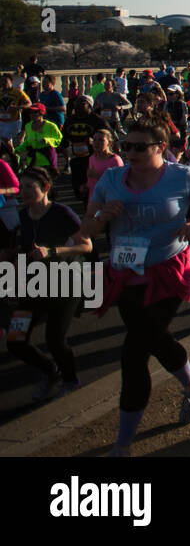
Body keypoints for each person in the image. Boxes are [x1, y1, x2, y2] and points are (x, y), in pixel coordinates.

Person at [73, 118, 190, 456]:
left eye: (139, 147)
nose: (130, 152)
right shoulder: (111, 179)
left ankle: (123, 445)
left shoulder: (182, 175)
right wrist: (101, 217)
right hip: (125, 274)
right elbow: (86, 230)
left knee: (133, 355)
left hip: (167, 272)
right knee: (156, 339)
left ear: (160, 148)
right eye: (126, 146)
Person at [2, 167, 91, 400]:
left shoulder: (62, 213)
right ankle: (51, 371)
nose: (24, 192)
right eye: (21, 187)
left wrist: (53, 251)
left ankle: (71, 380)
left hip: (65, 284)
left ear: (46, 188)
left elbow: (86, 245)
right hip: (34, 286)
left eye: (30, 187)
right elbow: (15, 250)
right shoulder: (21, 218)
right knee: (15, 339)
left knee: (55, 340)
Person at [17, 103, 62, 171]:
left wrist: (47, 140)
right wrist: (17, 150)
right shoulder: (28, 126)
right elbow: (27, 142)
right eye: (31, 112)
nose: (32, 115)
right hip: (32, 160)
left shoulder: (51, 126)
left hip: (46, 160)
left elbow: (59, 139)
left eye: (35, 112)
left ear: (42, 113)